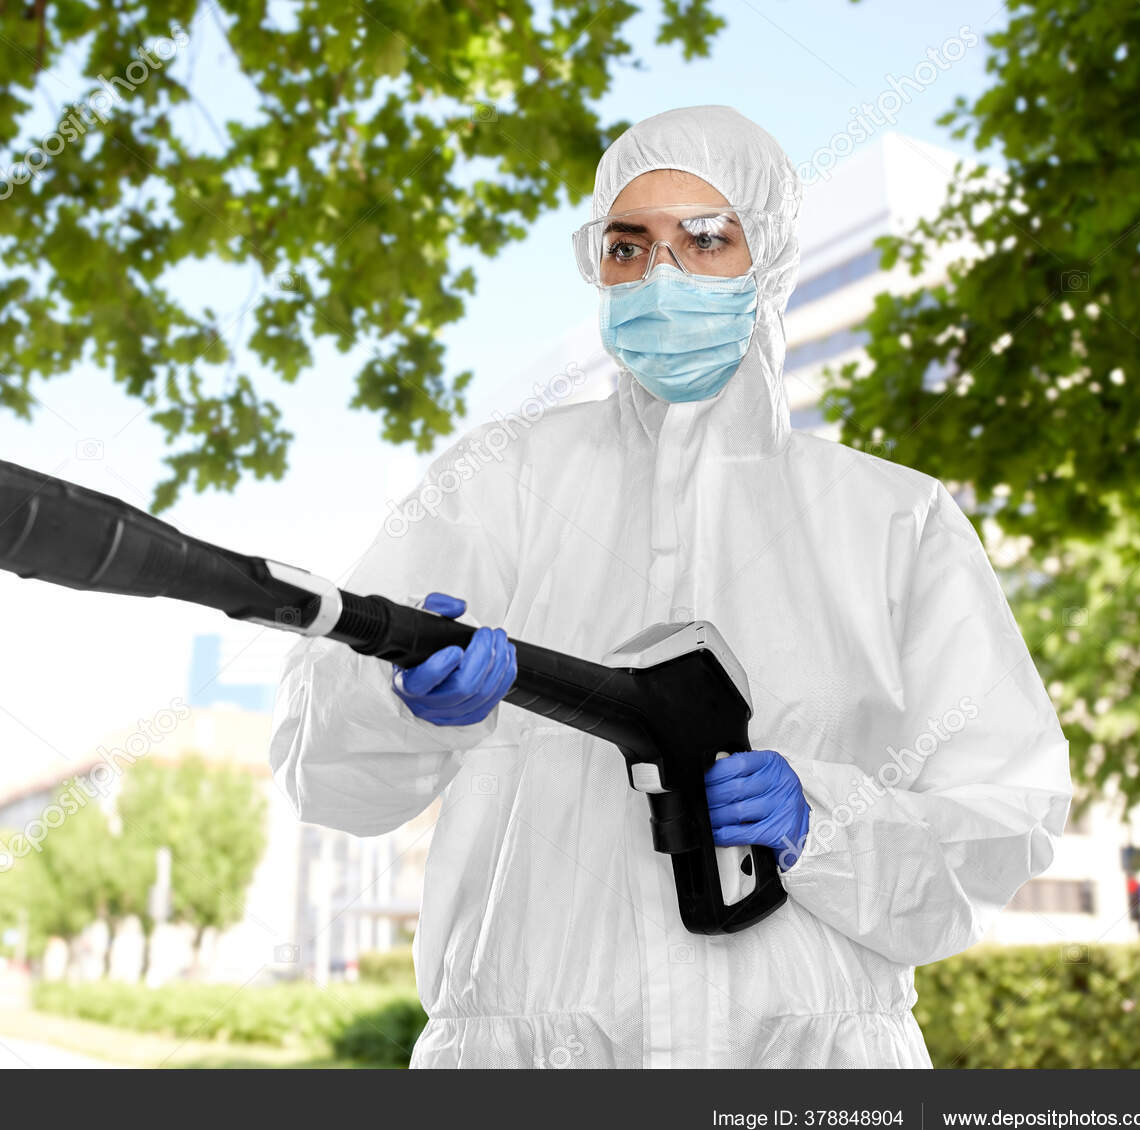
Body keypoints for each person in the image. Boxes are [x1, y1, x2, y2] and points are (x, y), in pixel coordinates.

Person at [267, 106, 1071, 1068]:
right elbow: (321, 777)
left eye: (704, 239)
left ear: (767, 258)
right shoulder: (498, 483)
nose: (661, 277)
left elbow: (1004, 812)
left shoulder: (894, 520)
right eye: (627, 246)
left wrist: (828, 821)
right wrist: (400, 704)